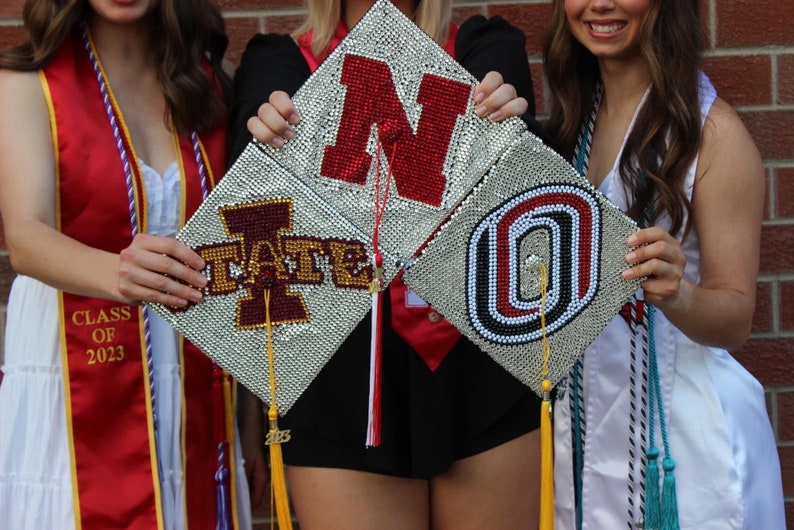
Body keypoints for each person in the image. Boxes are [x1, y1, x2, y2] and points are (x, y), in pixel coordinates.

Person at [229, 1, 552, 528]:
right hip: (342, 384)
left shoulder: (484, 51)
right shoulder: (280, 66)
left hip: (477, 369)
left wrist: (506, 124)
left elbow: (513, 202)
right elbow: (254, 231)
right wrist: (266, 154)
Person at [0, 0, 254, 528]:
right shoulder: (29, 83)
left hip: (191, 364)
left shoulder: (212, 84)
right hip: (75, 362)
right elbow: (25, 235)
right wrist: (119, 274)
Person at [543, 0, 785, 528]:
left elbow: (737, 317)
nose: (600, 4)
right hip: (585, 440)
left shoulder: (713, 137)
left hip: (687, 449)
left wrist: (680, 294)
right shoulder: (573, 123)